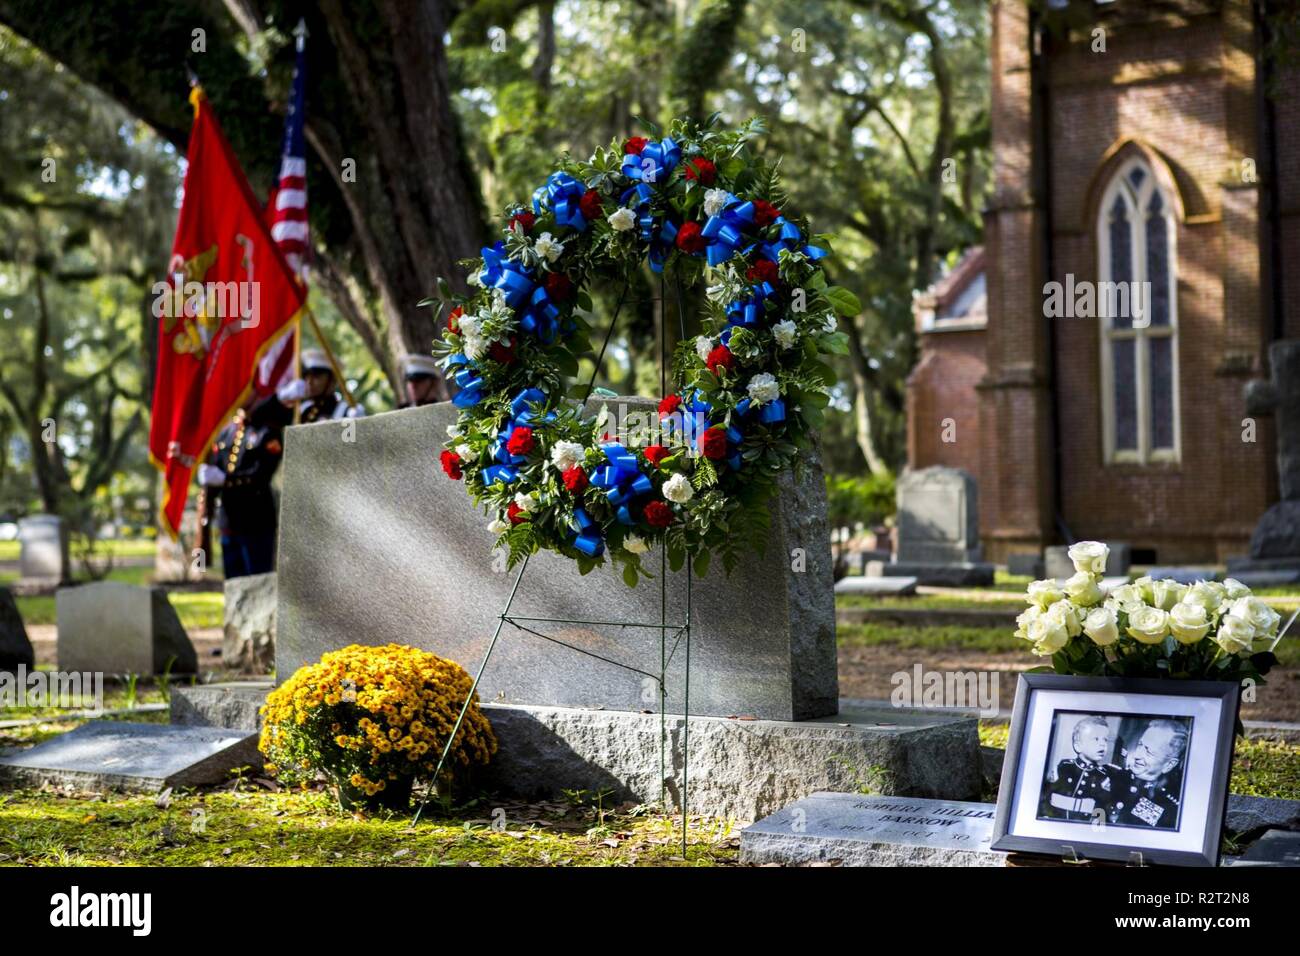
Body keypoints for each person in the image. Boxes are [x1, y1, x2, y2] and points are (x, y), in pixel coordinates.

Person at [196, 394, 286, 579]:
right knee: (233, 581)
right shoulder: (226, 431)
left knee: (257, 581)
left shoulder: (268, 431)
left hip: (256, 520)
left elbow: (262, 475)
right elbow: (216, 466)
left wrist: (225, 479)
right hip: (229, 521)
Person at [1108, 719, 1187, 830]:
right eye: (1140, 745)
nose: (1137, 755)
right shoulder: (1112, 776)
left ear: (1169, 764)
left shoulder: (1170, 806)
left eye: (1149, 752)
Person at [1041, 715, 1122, 822]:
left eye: (1105, 740)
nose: (1102, 744)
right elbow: (1046, 797)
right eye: (1096, 739)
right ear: (1078, 746)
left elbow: (1103, 808)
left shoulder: (1103, 776)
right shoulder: (1064, 768)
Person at [276, 348, 364, 422]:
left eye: (316, 377)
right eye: (306, 377)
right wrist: (280, 398)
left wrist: (358, 427)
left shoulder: (346, 411)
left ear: (332, 380)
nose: (309, 382)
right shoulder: (303, 410)